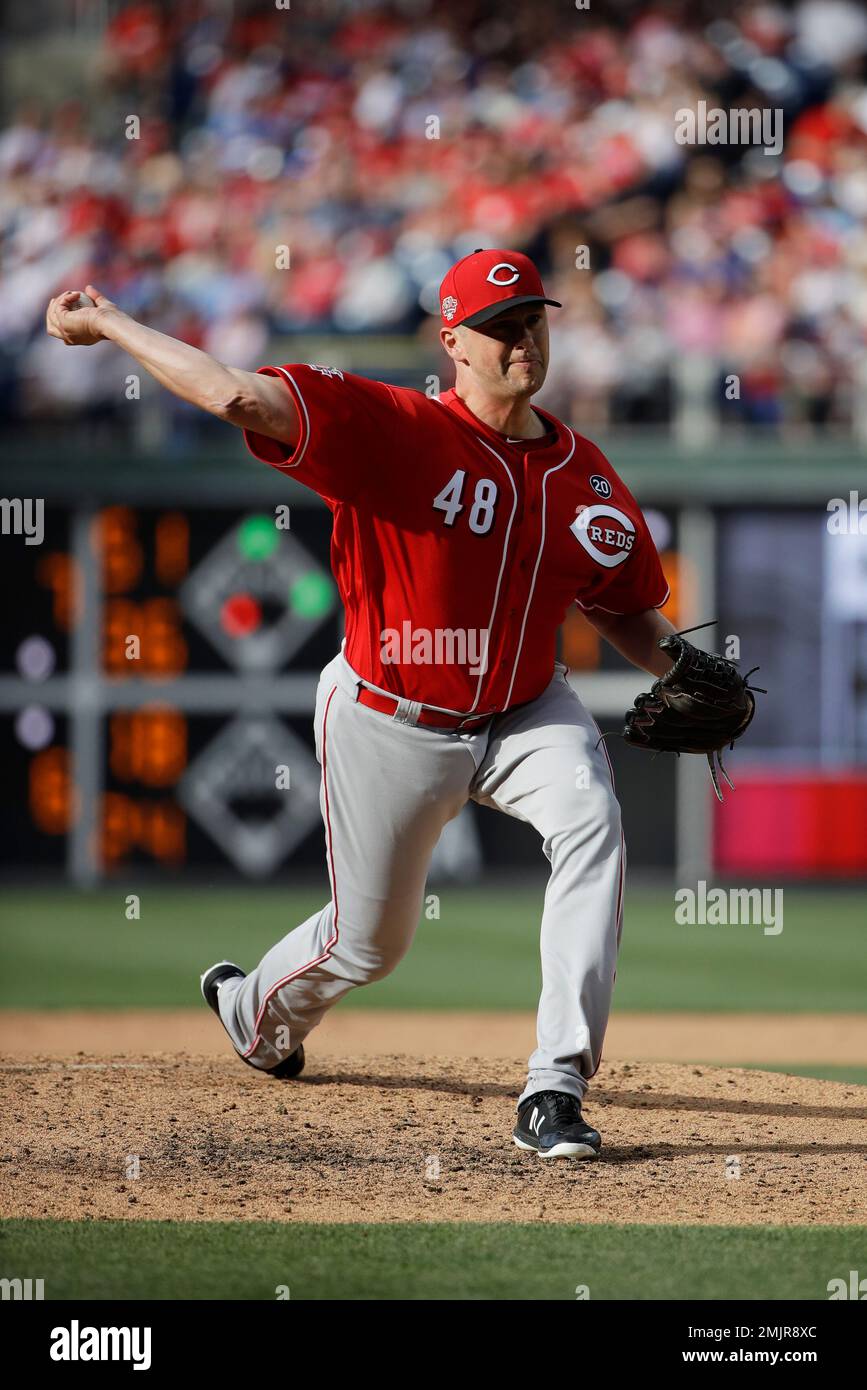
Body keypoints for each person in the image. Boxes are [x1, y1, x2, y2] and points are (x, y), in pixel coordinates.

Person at [46, 248, 675, 1160]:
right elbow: (234, 396)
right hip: (388, 715)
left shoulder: (585, 475)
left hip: (525, 712)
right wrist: (108, 322)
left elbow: (624, 609)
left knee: (591, 819)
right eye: (498, 326)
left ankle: (554, 1083)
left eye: (531, 318)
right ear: (451, 340)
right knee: (368, 944)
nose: (520, 339)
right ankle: (252, 1011)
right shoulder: (391, 425)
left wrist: (684, 668)